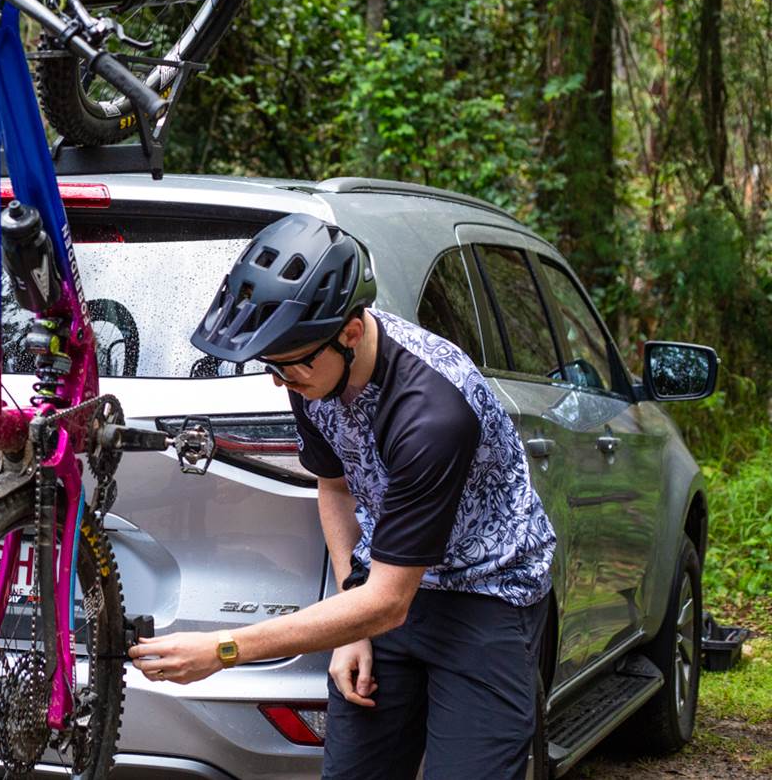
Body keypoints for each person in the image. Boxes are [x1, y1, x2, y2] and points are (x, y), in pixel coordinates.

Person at [128, 212, 557, 779]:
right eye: (272, 368)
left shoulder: (431, 414)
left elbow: (389, 602)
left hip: (487, 597)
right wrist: (351, 617)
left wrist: (222, 651)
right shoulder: (315, 368)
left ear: (352, 332)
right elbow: (334, 485)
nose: (283, 384)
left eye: (289, 368)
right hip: (388, 583)